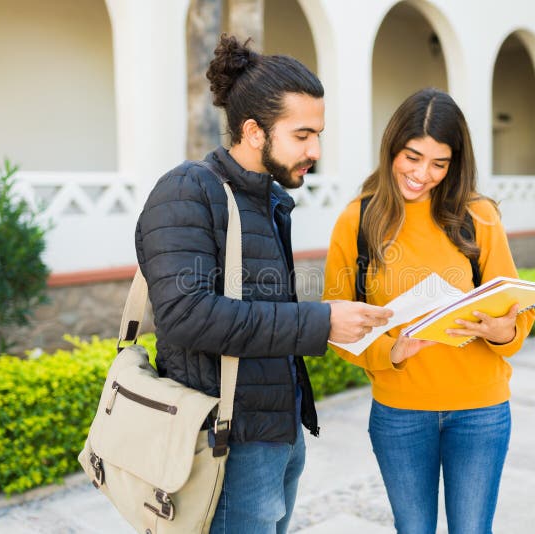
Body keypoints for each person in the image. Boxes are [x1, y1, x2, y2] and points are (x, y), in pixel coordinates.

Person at [135, 34, 392, 534]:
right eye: (302, 135)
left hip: (279, 432)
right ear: (254, 131)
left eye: (318, 133)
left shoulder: (266, 199)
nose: (315, 149)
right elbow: (186, 315)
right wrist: (321, 322)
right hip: (226, 444)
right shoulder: (188, 189)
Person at [322, 88, 535, 534]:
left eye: (439, 164)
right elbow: (335, 321)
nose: (423, 174)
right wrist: (390, 353)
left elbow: (518, 314)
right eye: (412, 157)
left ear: (455, 163)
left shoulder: (480, 216)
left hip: (481, 412)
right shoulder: (357, 220)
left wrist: (500, 330)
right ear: (392, 148)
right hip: (400, 413)